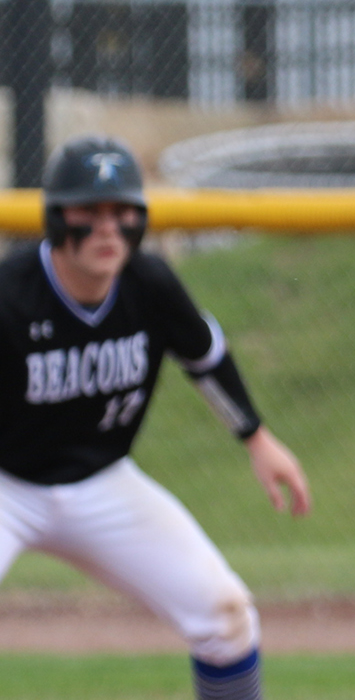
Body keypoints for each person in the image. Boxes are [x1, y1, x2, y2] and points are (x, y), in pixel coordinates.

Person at [0, 136, 310, 700]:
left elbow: (204, 358)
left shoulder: (148, 283)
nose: (107, 229)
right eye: (87, 213)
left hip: (102, 481)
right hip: (7, 486)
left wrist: (258, 439)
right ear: (53, 218)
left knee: (226, 617)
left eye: (122, 213)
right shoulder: (10, 295)